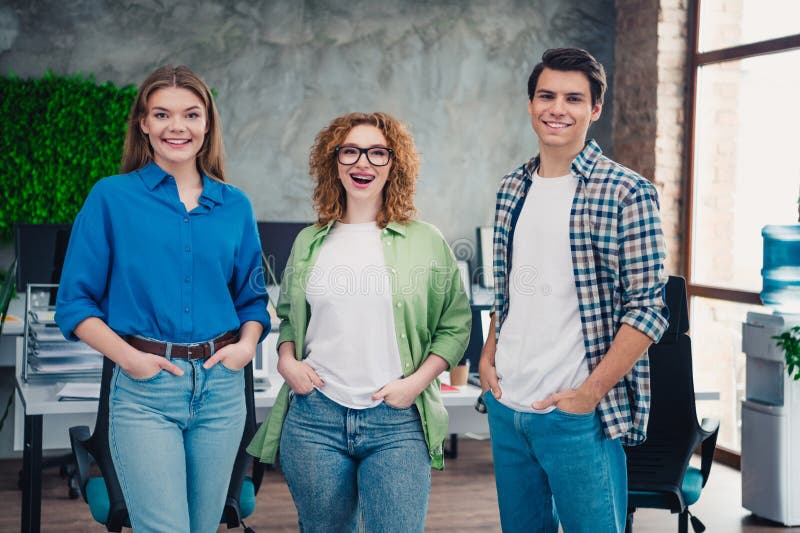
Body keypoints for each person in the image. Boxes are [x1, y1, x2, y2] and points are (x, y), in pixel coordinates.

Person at [55, 65, 269, 532]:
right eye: (162, 114)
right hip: (144, 392)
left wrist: (247, 346)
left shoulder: (235, 205)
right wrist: (130, 360)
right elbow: (74, 303)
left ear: (207, 124)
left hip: (222, 390)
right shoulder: (111, 198)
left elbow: (252, 301)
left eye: (191, 114)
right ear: (144, 124)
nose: (178, 126)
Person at [247, 112, 471, 533]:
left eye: (376, 153)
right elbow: (290, 318)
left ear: (394, 164)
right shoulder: (309, 241)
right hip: (315, 419)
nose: (362, 162)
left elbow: (455, 324)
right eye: (349, 151)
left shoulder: (426, 240)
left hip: (397, 420)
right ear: (334, 163)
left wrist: (415, 384)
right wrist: (287, 360)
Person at [478, 48, 668, 533]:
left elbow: (648, 309)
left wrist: (589, 395)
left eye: (573, 98)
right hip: (507, 407)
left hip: (577, 416)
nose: (556, 109)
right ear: (530, 104)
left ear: (595, 108)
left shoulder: (627, 192)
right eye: (546, 96)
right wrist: (488, 354)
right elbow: (510, 287)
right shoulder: (511, 187)